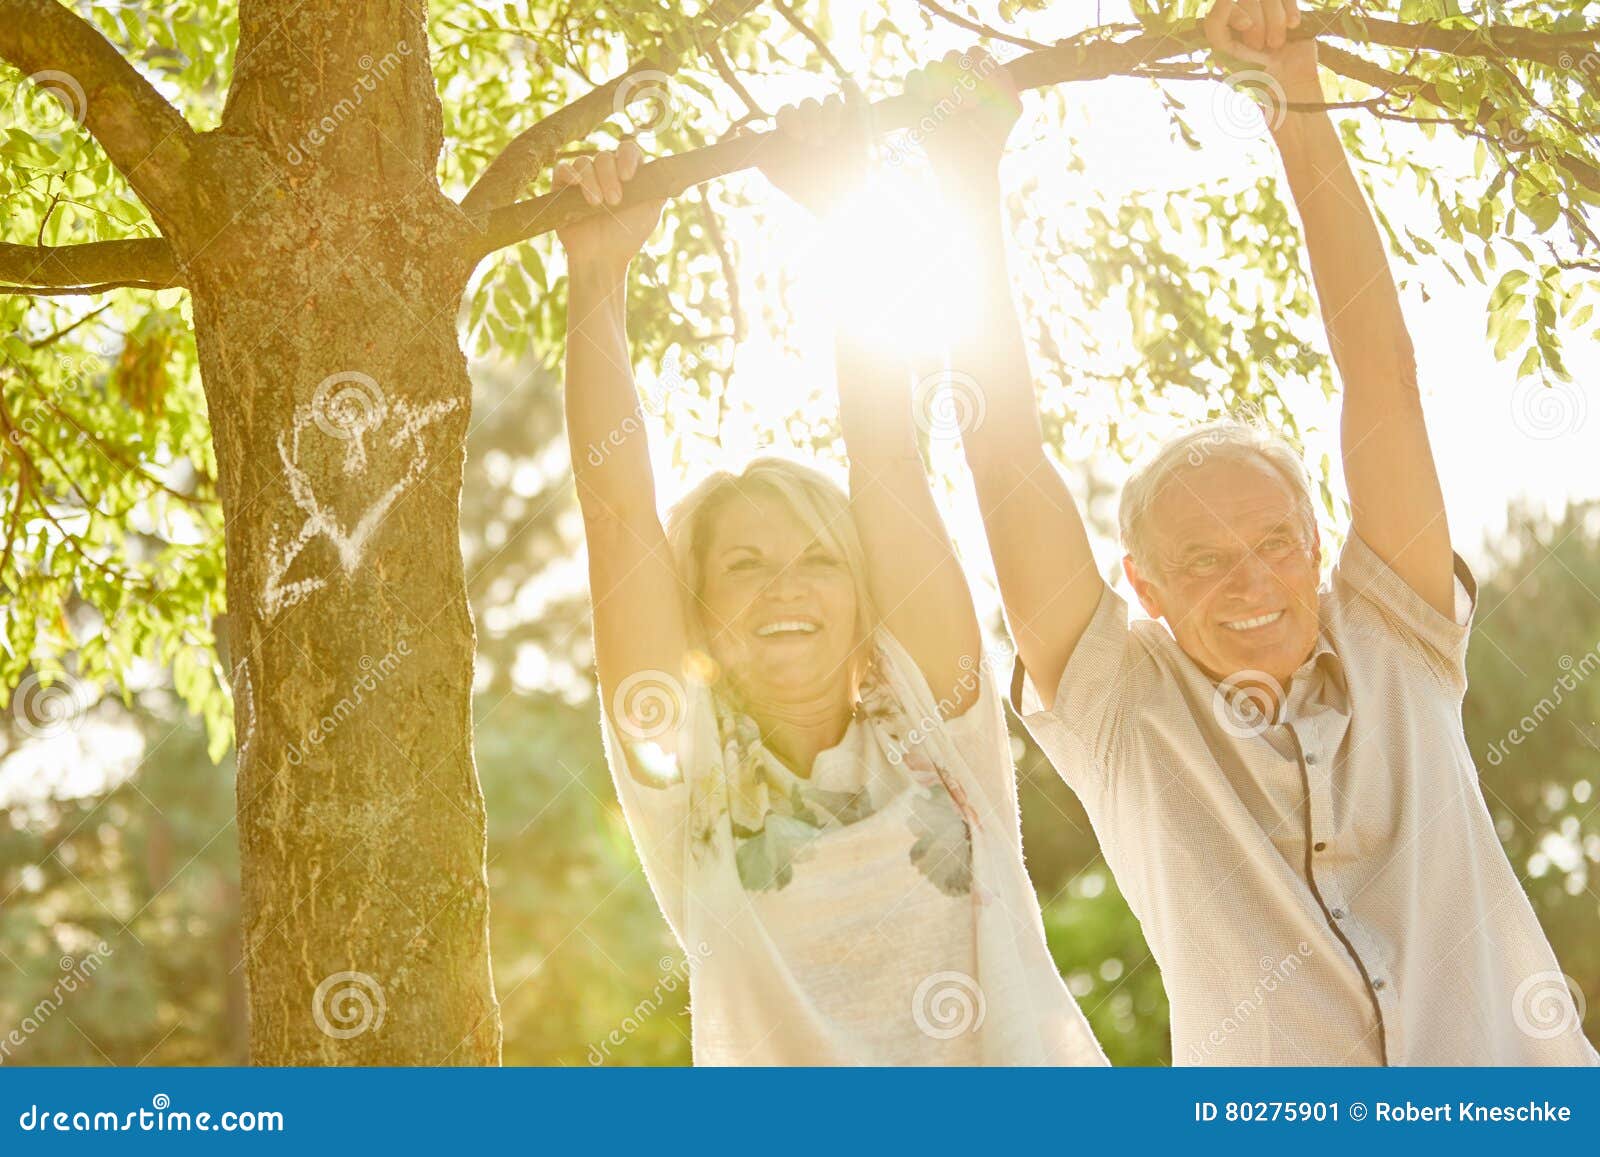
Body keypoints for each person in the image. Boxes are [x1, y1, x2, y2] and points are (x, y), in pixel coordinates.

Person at [938, 0, 1600, 1064]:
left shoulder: (1400, 636)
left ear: (1315, 541)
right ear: (1143, 586)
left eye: (1272, 542)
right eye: (1200, 559)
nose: (1248, 579)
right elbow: (1002, 453)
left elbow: (1380, 373)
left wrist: (1294, 96)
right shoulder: (1122, 710)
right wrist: (963, 178)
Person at [552, 77, 1107, 1065]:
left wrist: (845, 209)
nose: (785, 587)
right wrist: (597, 277)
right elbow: (616, 517)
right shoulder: (691, 780)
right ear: (699, 611)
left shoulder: (933, 726)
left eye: (817, 558)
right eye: (745, 565)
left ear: (861, 599)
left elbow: (888, 456)